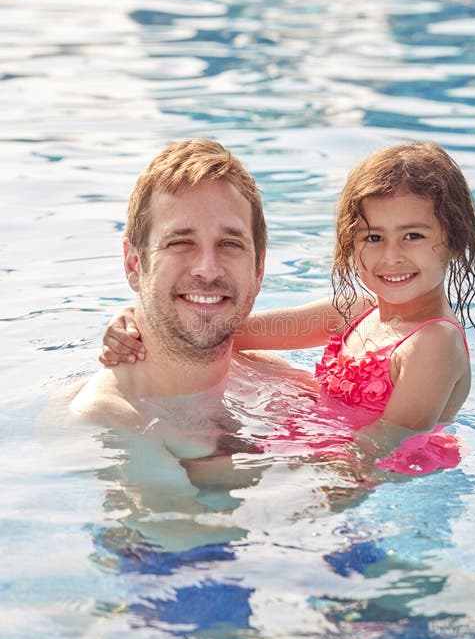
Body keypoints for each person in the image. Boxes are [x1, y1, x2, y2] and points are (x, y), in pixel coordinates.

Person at [102, 141, 475, 470]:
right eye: (373, 237)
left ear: (453, 240)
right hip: (327, 449)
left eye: (413, 235)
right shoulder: (354, 310)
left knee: (189, 468)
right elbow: (219, 330)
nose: (391, 256)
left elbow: (380, 451)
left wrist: (254, 470)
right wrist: (134, 322)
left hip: (384, 489)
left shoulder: (434, 344)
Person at [69, 137, 314, 455]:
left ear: (259, 268)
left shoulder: (275, 380)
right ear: (134, 263)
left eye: (230, 243)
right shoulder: (112, 421)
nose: (208, 270)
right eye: (180, 242)